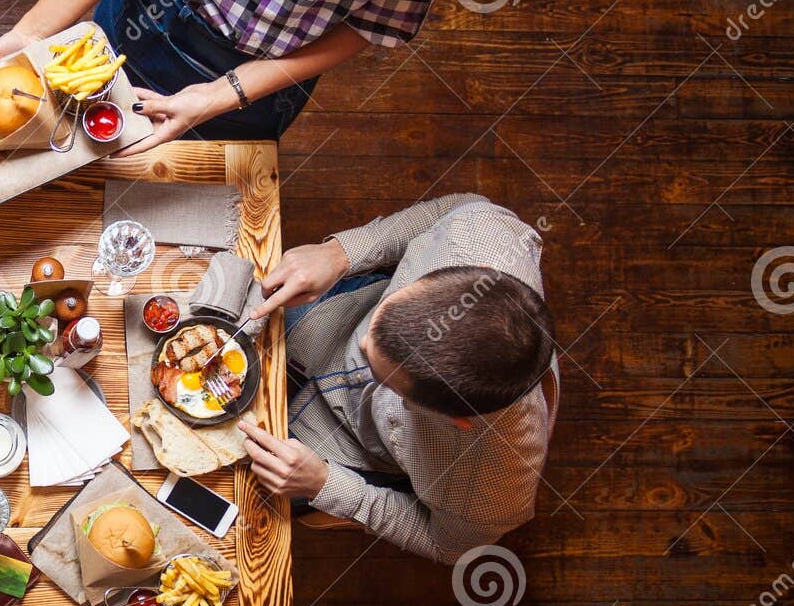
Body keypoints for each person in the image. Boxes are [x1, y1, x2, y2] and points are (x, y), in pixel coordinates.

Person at [236, 194, 558, 565]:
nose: (362, 345)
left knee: (238, 487)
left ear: (459, 421)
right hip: (336, 316)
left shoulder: (488, 489)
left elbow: (448, 546)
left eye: (382, 375)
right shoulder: (478, 233)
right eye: (381, 323)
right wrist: (342, 255)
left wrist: (327, 485)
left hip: (340, 444)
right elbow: (457, 207)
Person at [0, 0, 473, 153]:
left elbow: (372, 22)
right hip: (152, 18)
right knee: (69, 136)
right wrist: (31, 32)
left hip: (265, 81)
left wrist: (221, 93)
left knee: (188, 196)